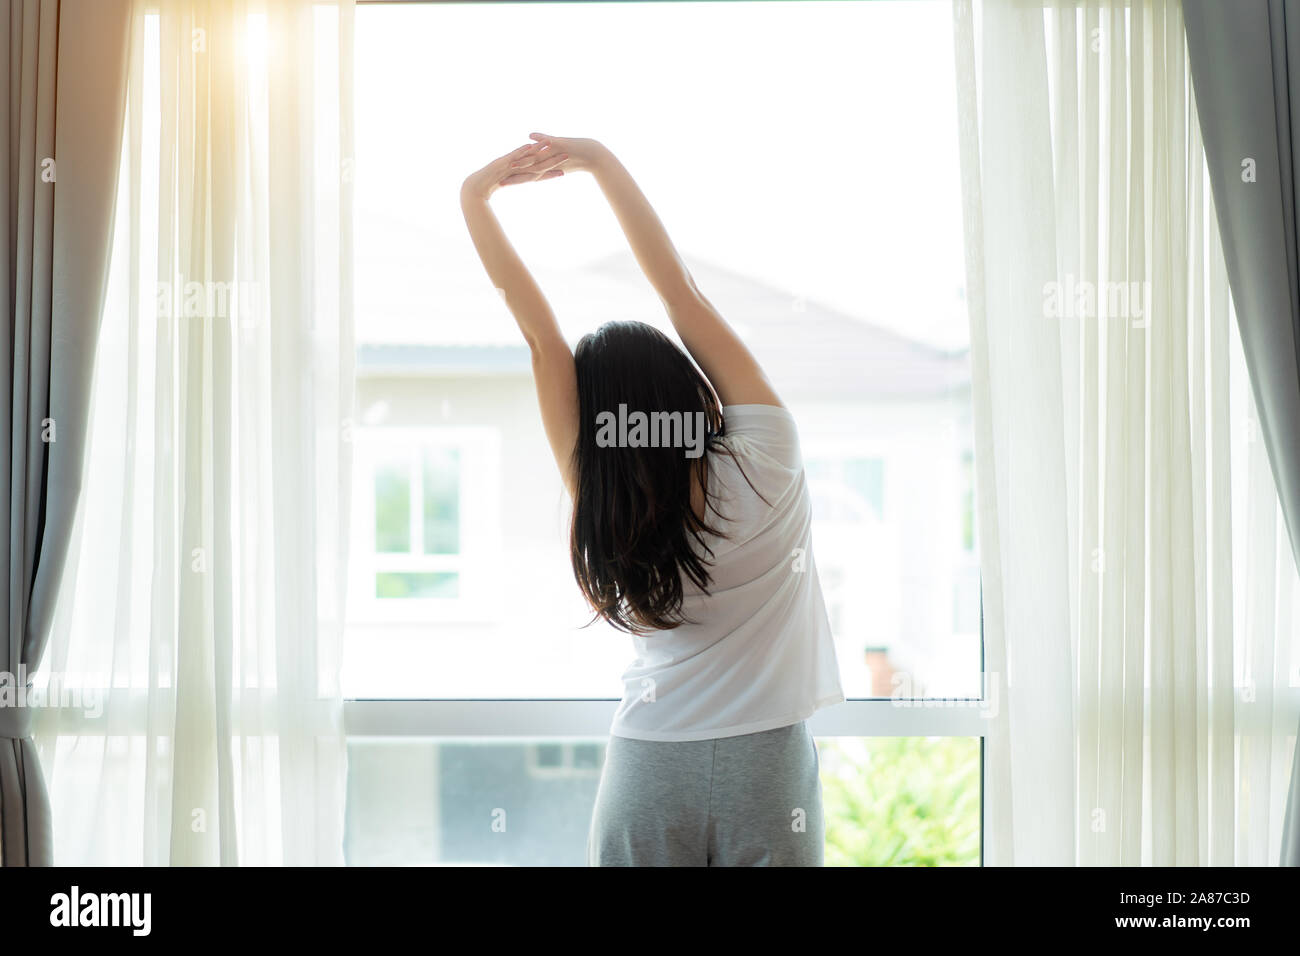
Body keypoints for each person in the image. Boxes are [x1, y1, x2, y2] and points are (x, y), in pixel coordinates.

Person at [460, 134, 845, 866]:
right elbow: (682, 296)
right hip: (767, 767)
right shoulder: (769, 455)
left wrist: (474, 198)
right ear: (688, 389)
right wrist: (599, 162)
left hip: (648, 761)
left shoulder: (599, 490)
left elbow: (544, 343)